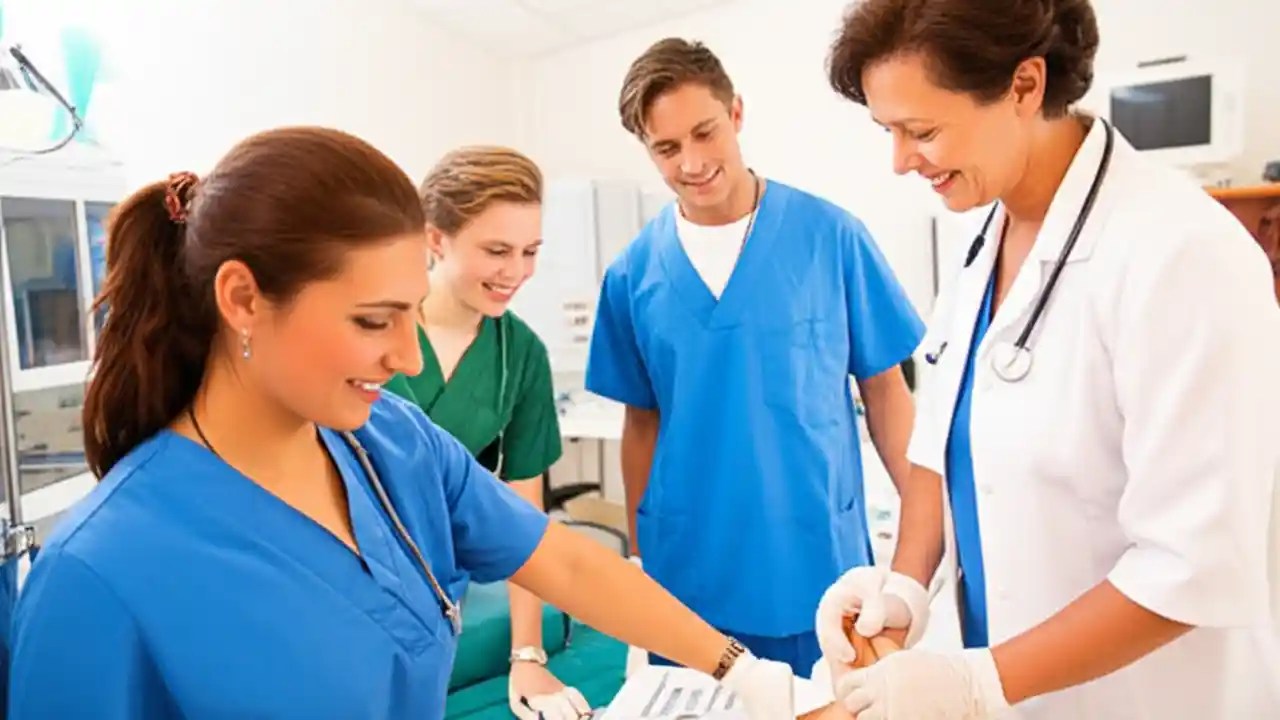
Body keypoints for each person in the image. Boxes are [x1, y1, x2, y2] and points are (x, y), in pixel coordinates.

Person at [5, 126, 796, 719]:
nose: (410, 359)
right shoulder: (102, 576)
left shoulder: (394, 446)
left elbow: (569, 563)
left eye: (414, 314)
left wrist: (746, 675)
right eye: (374, 321)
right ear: (243, 299)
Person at [814, 1, 1280, 718]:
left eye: (922, 131)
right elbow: (939, 446)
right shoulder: (983, 242)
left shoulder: (1184, 255)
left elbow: (1192, 563)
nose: (901, 161)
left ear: (1024, 85)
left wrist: (980, 682)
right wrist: (903, 589)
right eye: (889, 132)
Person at [586, 37, 925, 678]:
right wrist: (638, 555)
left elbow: (887, 393)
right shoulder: (632, 275)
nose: (692, 161)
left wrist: (925, 538)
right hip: (686, 569)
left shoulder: (831, 237)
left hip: (811, 561)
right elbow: (642, 423)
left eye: (704, 132)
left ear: (736, 114)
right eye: (667, 148)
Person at [384, 145, 610, 719]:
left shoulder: (521, 355)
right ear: (435, 239)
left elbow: (524, 516)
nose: (516, 272)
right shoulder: (375, 323)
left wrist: (528, 654)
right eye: (496, 250)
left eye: (530, 251)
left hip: (440, 593)